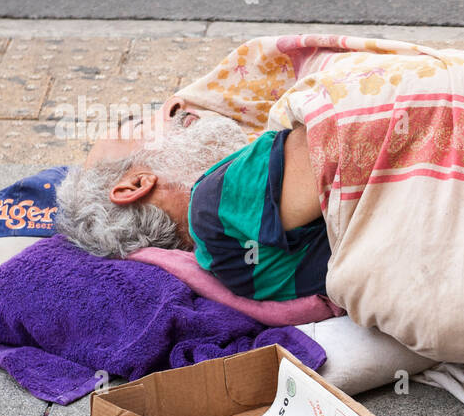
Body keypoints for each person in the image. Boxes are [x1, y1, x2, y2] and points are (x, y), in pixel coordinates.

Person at [57, 102, 328, 303]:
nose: (173, 105)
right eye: (141, 126)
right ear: (137, 185)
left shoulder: (237, 272)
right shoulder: (212, 209)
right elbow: (350, 127)